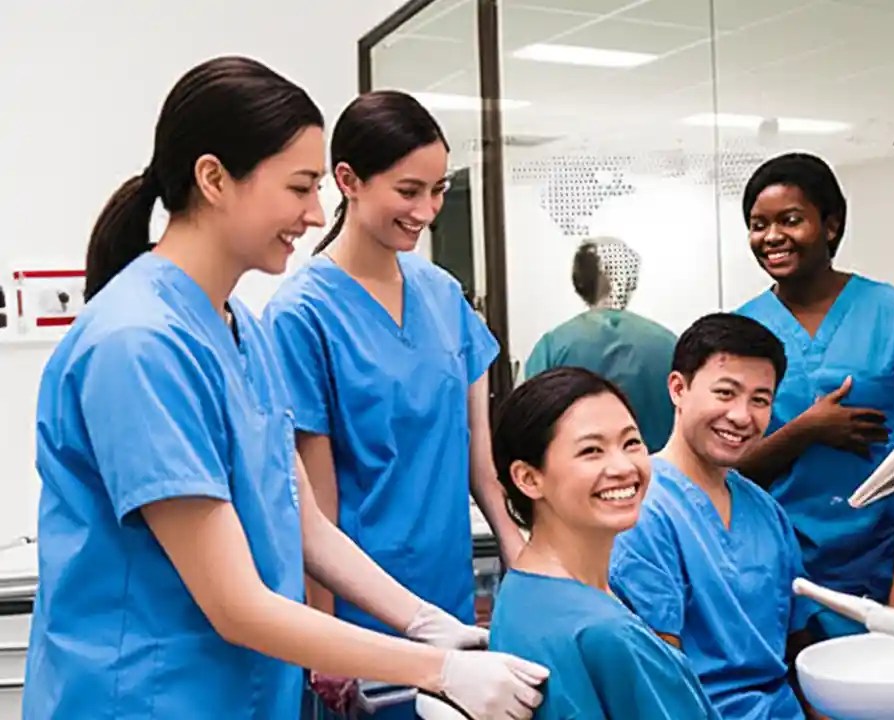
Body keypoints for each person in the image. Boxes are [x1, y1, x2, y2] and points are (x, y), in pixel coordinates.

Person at [24, 57, 546, 720]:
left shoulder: (239, 327)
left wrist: (422, 622)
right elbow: (235, 603)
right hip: (144, 698)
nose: (314, 212)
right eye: (300, 188)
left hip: (240, 694)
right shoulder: (139, 344)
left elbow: (302, 521)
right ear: (214, 179)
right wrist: (436, 669)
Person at [263, 91, 524, 640]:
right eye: (408, 191)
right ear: (348, 180)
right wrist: (325, 633)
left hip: (451, 596)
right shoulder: (301, 315)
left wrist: (517, 549)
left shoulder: (444, 295)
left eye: (438, 190)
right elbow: (316, 504)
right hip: (363, 608)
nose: (427, 212)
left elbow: (480, 459)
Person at [734, 152, 894, 639]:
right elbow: (725, 468)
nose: (772, 237)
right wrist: (807, 430)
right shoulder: (741, 330)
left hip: (883, 565)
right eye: (758, 224)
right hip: (778, 567)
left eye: (791, 220)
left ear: (831, 224)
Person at [609, 313, 819, 720]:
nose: (742, 416)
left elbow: (795, 636)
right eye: (726, 393)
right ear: (678, 389)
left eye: (760, 400)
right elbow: (661, 681)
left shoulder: (766, 511)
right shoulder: (644, 511)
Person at [487, 367, 721, 719]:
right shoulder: (605, 633)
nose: (623, 466)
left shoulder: (522, 591)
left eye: (631, 443)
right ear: (529, 478)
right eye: (592, 451)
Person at [524, 238, 677, 452]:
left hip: (581, 477)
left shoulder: (554, 346)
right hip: (658, 475)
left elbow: (527, 425)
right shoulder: (667, 342)